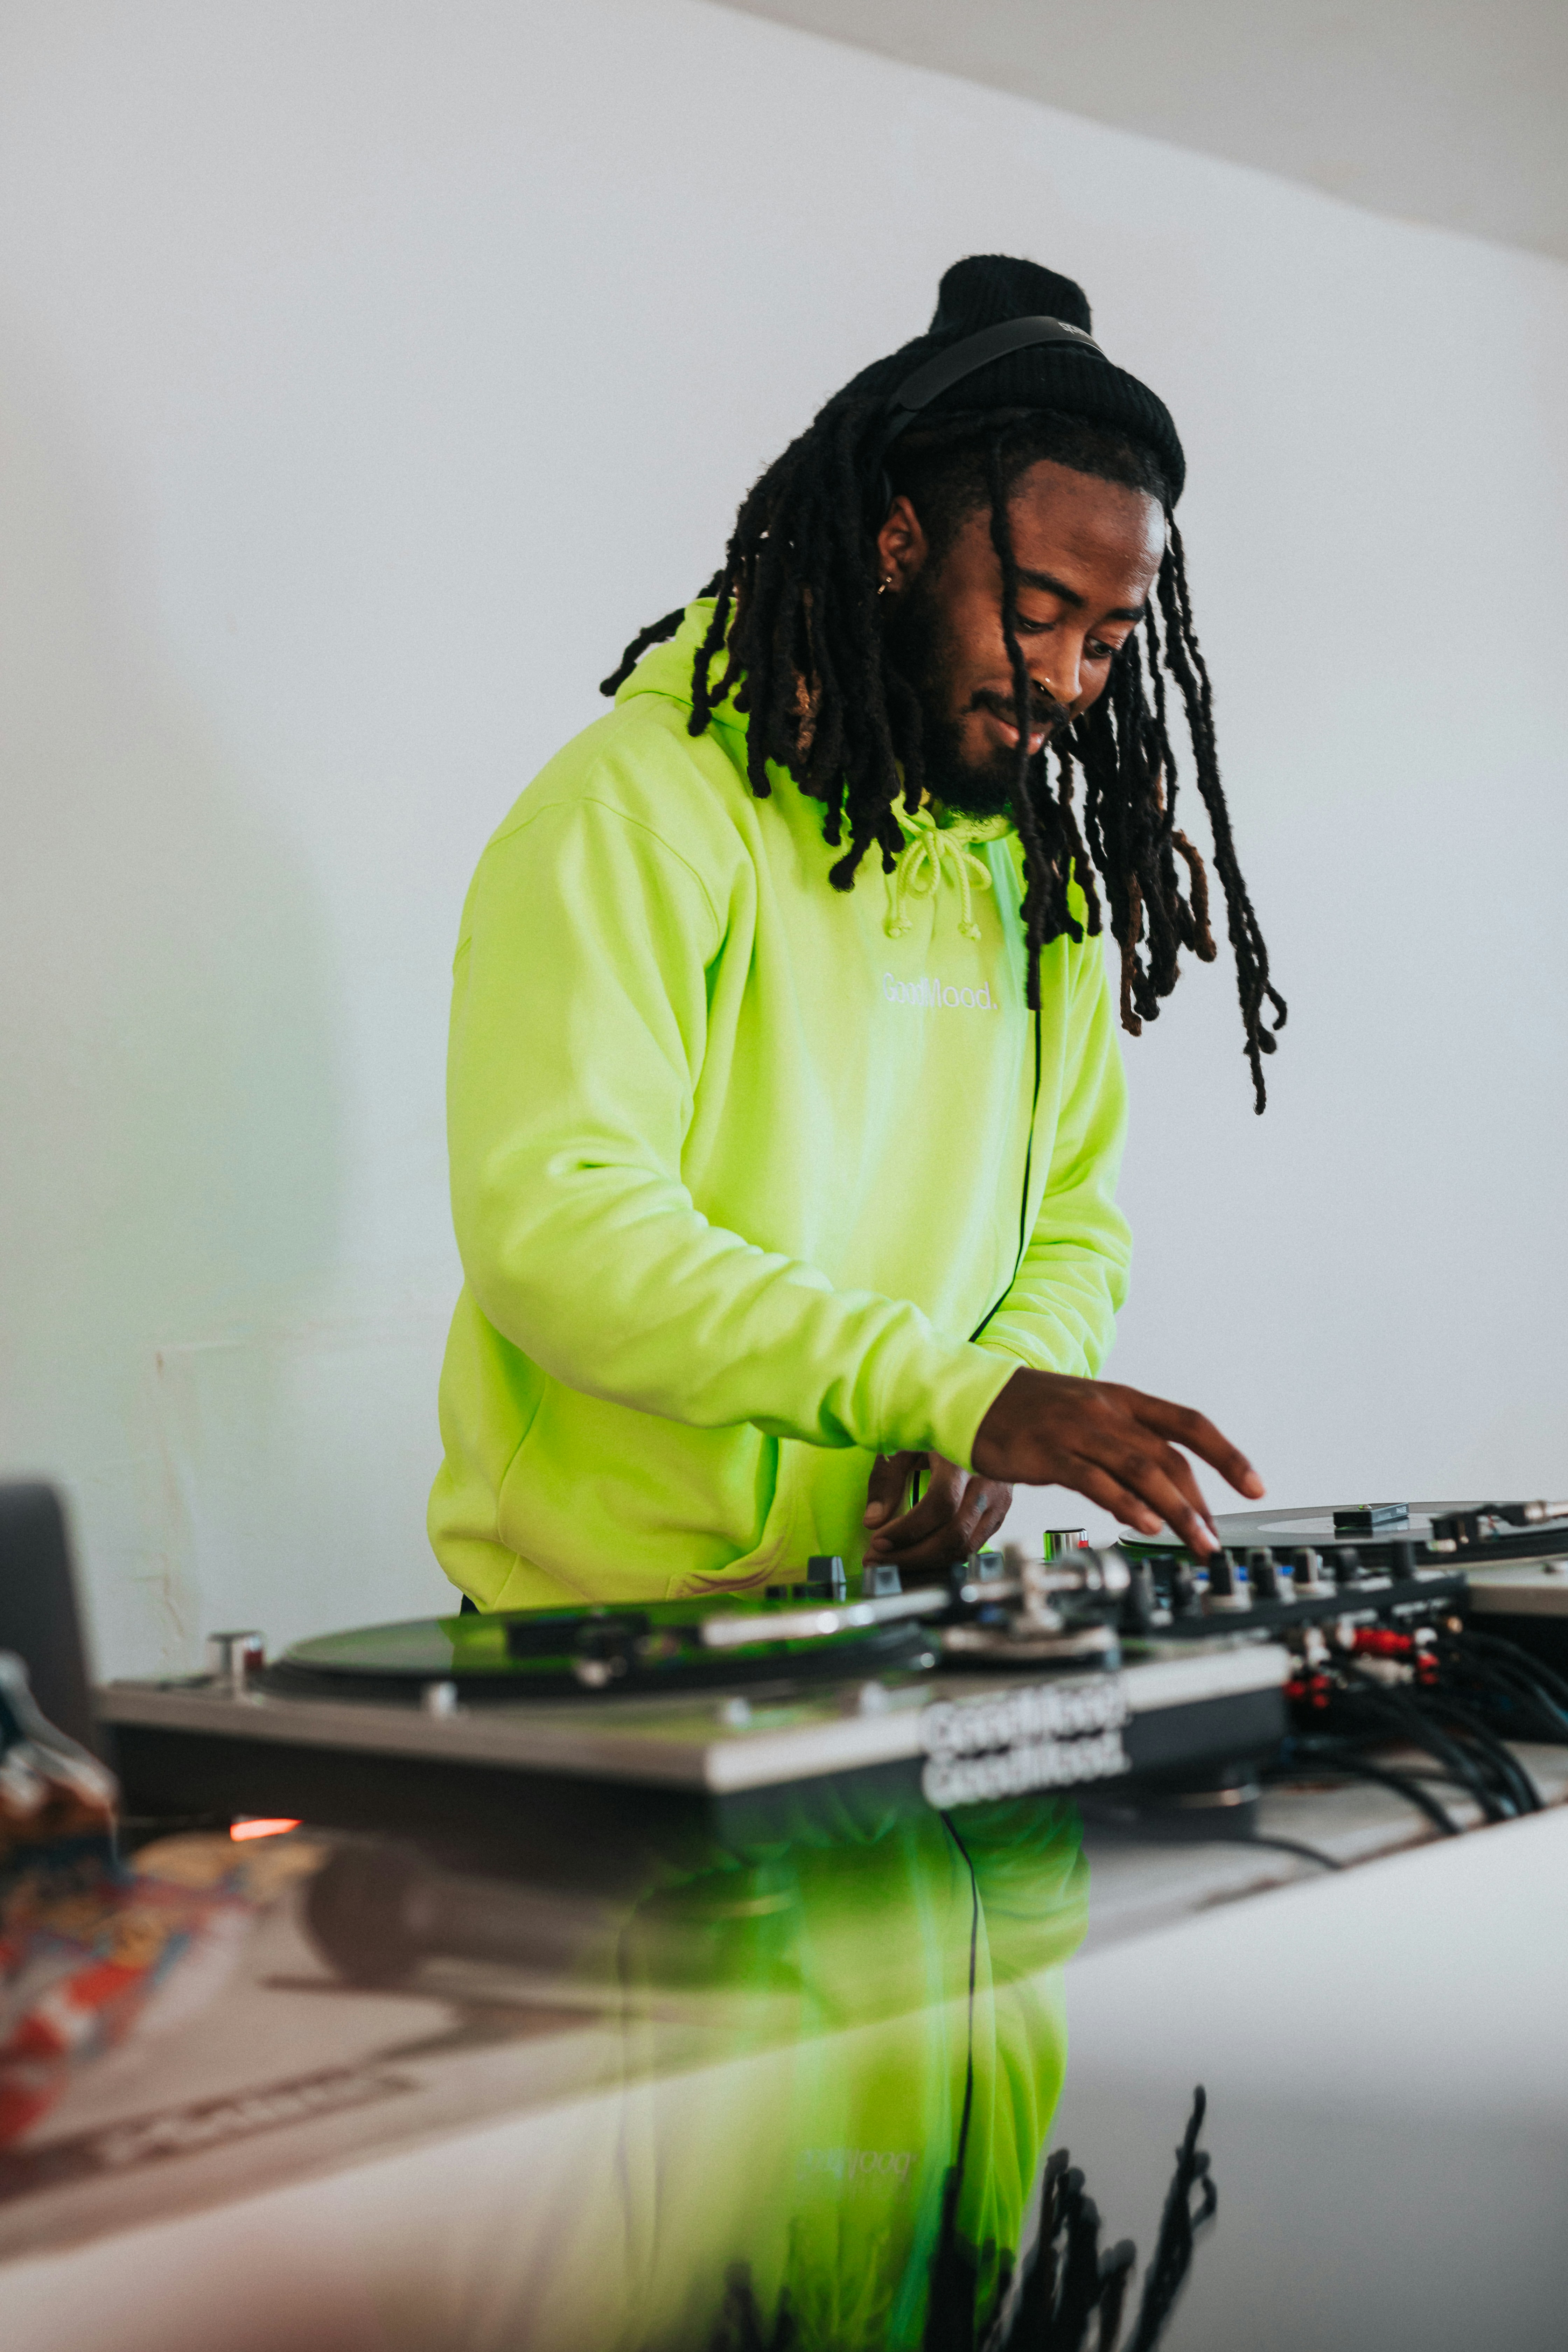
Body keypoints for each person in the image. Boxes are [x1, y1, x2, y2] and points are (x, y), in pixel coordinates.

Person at [429, 255, 1283, 1611]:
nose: (1067, 680)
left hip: (892, 1624)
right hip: (607, 1652)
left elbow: (1073, 1218)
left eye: (1110, 641)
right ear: (895, 547)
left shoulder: (1034, 880)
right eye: (1034, 613)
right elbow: (560, 1230)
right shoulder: (638, 812)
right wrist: (956, 1392)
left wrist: (981, 1422)